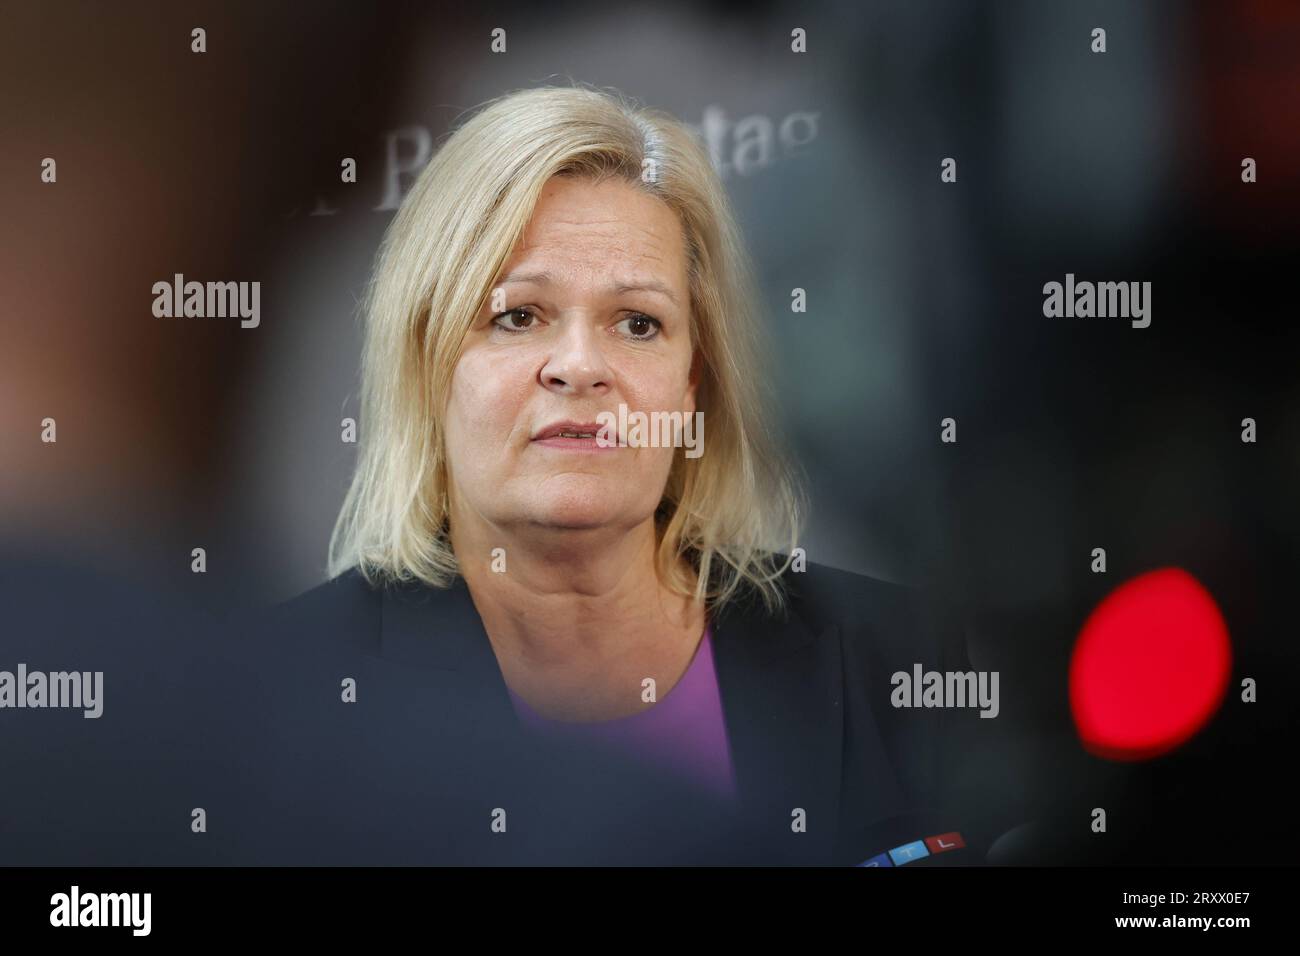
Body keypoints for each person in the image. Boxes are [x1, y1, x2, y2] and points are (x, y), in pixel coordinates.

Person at [225, 84, 995, 866]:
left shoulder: (908, 660)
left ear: (694, 378)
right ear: (429, 363)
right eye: (517, 316)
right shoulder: (265, 709)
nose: (582, 367)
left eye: (638, 323)